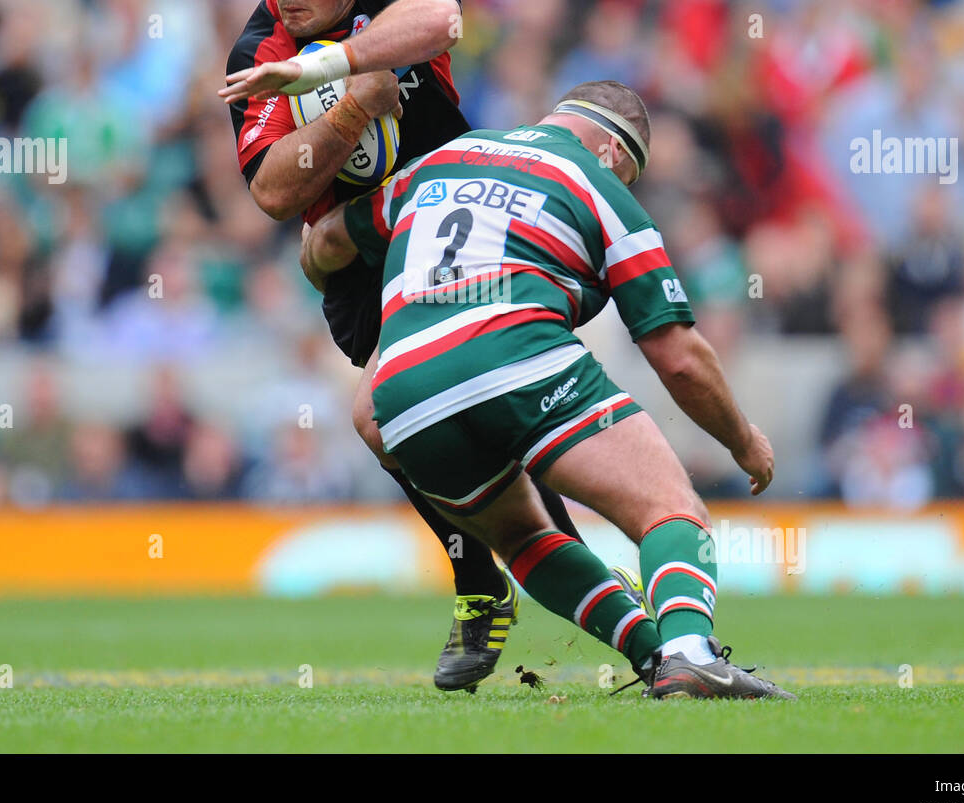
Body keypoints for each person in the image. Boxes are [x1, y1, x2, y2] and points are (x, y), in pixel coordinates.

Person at [218, 0, 594, 691]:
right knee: (398, 428)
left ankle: (558, 578)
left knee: (402, 411)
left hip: (455, 231)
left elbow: (442, 19)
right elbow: (274, 193)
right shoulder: (258, 53)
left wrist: (341, 61)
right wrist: (353, 102)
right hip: (358, 264)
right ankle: (498, 578)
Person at [301, 81, 795, 699]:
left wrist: (320, 269)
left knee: (523, 539)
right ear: (615, 152)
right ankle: (691, 650)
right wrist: (743, 442)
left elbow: (325, 243)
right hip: (515, 359)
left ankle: (654, 658)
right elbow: (681, 360)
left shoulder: (442, 159)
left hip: (401, 400)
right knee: (670, 510)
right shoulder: (597, 181)